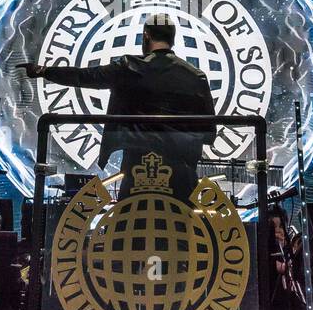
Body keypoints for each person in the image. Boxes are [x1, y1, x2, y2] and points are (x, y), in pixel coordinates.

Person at [19, 12, 216, 201]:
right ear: (173, 39)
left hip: (138, 167)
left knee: (130, 227)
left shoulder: (129, 67)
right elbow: (208, 132)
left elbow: (86, 76)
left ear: (146, 35)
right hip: (182, 171)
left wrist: (44, 71)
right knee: (182, 230)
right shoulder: (195, 76)